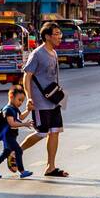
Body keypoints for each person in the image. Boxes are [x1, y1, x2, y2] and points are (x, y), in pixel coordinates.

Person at [20, 22, 68, 178]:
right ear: (47, 36)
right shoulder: (37, 54)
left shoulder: (53, 52)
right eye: (56, 33)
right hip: (40, 101)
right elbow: (27, 76)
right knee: (41, 132)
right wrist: (29, 98)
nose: (59, 36)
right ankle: (16, 151)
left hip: (53, 99)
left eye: (59, 33)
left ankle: (51, 167)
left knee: (55, 132)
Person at [0, 85, 34, 179]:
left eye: (22, 100)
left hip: (11, 135)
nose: (20, 102)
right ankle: (22, 171)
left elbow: (20, 117)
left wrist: (28, 110)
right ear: (11, 97)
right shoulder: (8, 109)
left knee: (6, 152)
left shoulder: (14, 108)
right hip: (7, 135)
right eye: (19, 100)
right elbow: (11, 123)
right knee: (18, 150)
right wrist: (24, 124)